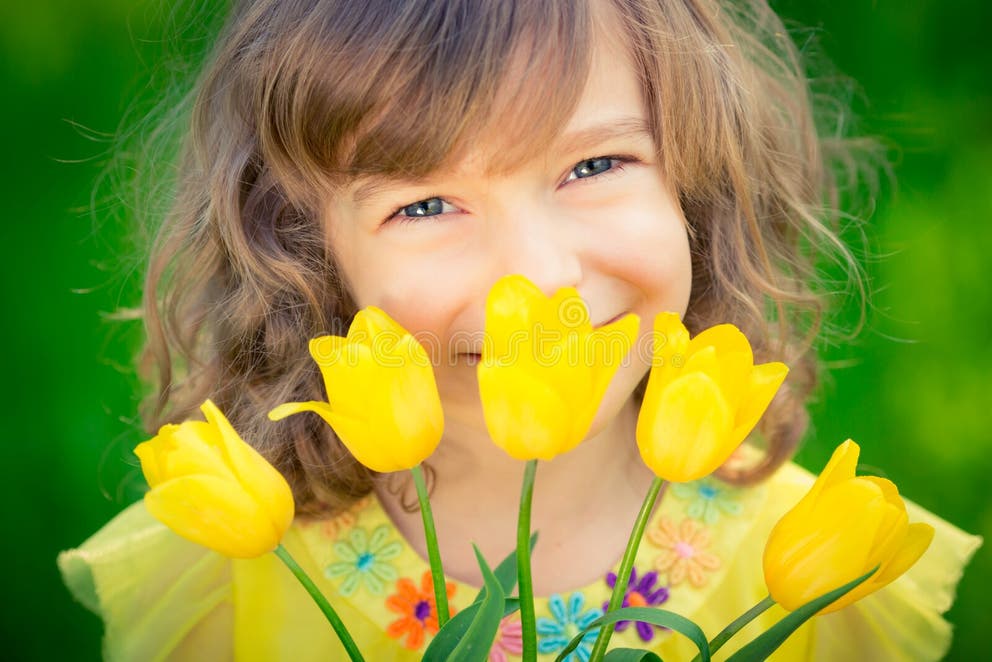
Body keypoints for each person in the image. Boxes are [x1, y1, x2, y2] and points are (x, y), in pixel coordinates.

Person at [58, 1, 980, 660]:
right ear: (305, 258)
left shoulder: (830, 571)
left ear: (697, 186)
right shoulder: (219, 580)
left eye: (596, 163)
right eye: (423, 206)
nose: (539, 277)